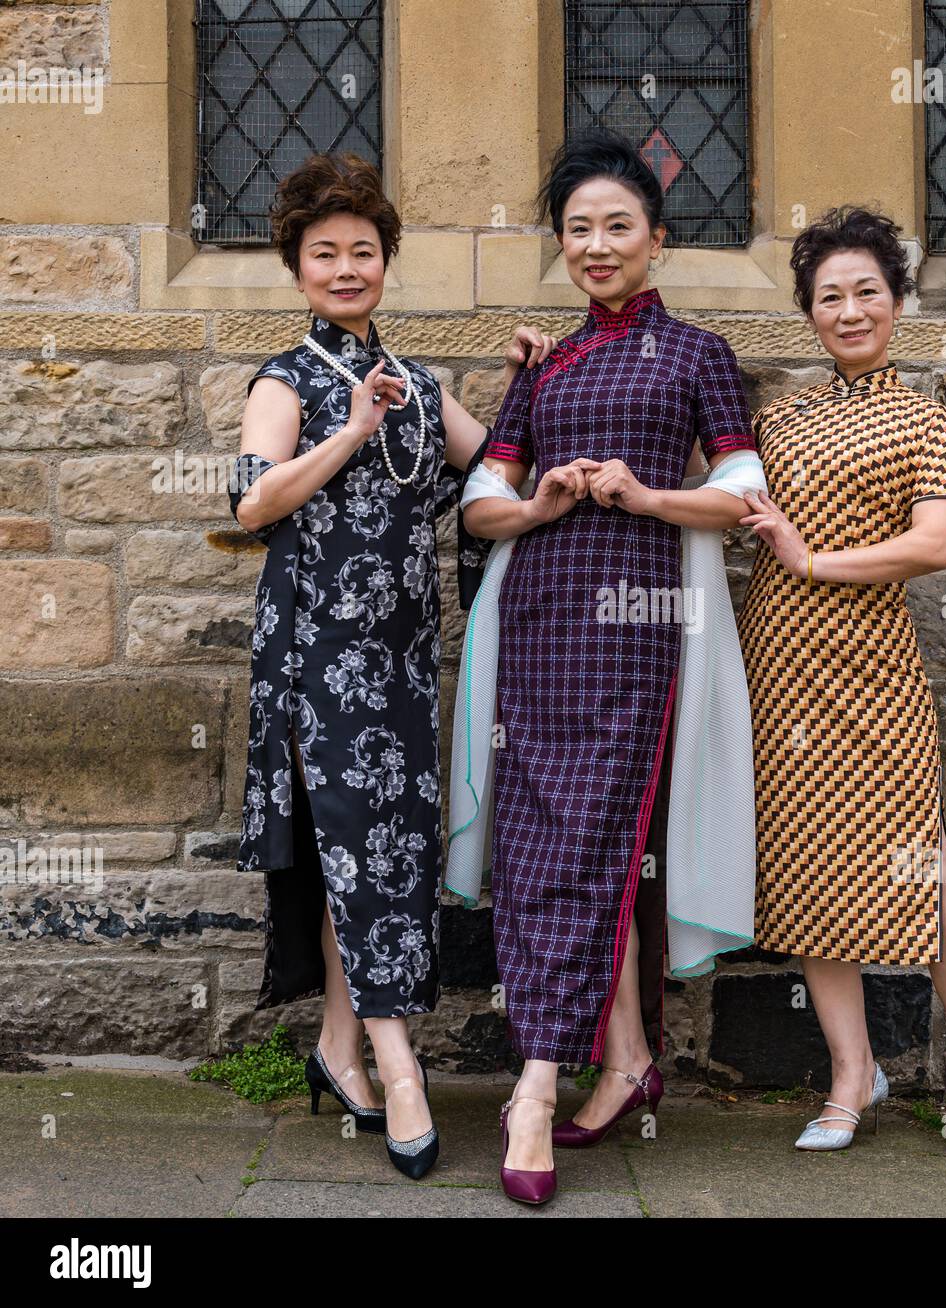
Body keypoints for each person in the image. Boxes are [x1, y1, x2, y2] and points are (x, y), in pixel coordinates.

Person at [447, 128, 767, 1205]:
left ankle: (534, 1085)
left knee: (590, 842)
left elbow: (742, 498)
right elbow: (482, 503)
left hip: (637, 629)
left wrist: (644, 495)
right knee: (547, 844)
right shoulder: (542, 365)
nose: (596, 244)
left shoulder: (698, 357)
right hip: (538, 621)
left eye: (616, 226)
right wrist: (536, 502)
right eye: (577, 228)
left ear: (656, 241)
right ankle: (625, 1064)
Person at [227, 151, 554, 1180]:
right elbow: (251, 500)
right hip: (318, 659)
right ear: (297, 267)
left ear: (384, 261)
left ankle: (338, 1043)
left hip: (407, 660)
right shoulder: (284, 380)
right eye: (324, 252)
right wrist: (352, 432)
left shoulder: (417, 384)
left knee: (382, 856)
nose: (345, 268)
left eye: (362, 251)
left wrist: (526, 383)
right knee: (357, 851)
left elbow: (494, 464)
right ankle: (397, 1064)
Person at [735, 205, 946, 1171]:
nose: (850, 310)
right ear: (809, 312)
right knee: (815, 868)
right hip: (779, 668)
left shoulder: (922, 416)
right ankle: (850, 1076)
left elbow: (935, 542)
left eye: (867, 291)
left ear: (897, 300)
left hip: (873, 675)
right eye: (830, 297)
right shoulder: (778, 417)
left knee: (928, 874)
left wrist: (813, 560)